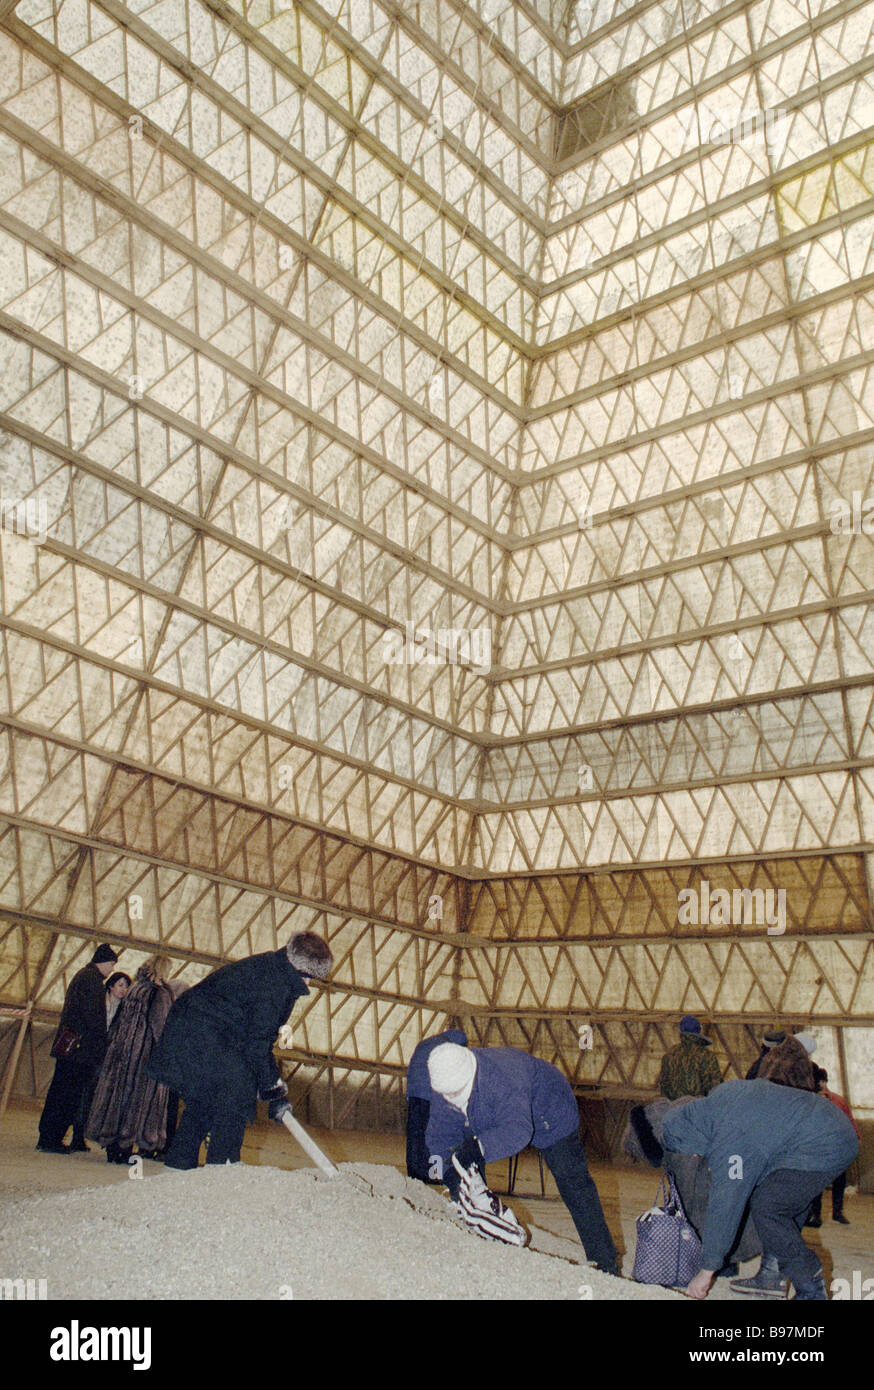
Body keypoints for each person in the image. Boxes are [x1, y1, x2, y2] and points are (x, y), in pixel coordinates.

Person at [425, 1042, 619, 1274]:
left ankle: (604, 1262)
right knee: (466, 1171)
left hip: (550, 1109)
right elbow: (437, 1136)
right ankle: (482, 1238)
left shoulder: (504, 1076)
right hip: (488, 1113)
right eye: (446, 1095)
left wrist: (477, 1148)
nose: (450, 1098)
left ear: (470, 1075)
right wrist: (446, 1173)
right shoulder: (445, 1082)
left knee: (573, 1183)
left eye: (455, 1093)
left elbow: (517, 1131)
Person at [663, 1072, 858, 1301]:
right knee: (779, 1196)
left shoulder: (731, 1136)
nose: (697, 1155)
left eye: (692, 1151)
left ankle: (811, 1290)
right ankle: (772, 1275)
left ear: (688, 1137)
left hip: (826, 1143)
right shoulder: (721, 1098)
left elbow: (726, 1204)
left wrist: (707, 1271)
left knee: (769, 1207)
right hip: (827, 1127)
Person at [148, 932, 333, 1169]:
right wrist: (274, 1092)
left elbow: (253, 1038)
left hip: (195, 1031)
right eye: (307, 977)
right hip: (202, 1035)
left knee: (204, 1100)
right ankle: (224, 1167)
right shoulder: (274, 986)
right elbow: (257, 1044)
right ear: (296, 966)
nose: (308, 984)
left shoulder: (273, 968)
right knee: (235, 1095)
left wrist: (270, 1088)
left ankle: (178, 1166)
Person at [86, 956, 175, 1164]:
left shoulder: (135, 989)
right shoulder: (158, 993)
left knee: (116, 1098)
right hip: (143, 1056)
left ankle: (111, 1145)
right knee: (137, 1102)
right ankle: (125, 1147)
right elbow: (159, 1027)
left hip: (121, 1052)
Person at [37, 943, 119, 1154]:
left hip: (70, 1048)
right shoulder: (91, 981)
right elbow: (93, 1018)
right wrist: (101, 1042)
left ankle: (48, 1137)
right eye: (111, 964)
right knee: (66, 1095)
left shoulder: (84, 976)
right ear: (103, 962)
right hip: (79, 1052)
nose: (111, 969)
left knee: (59, 1092)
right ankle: (51, 1139)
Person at [70, 970, 132, 1152]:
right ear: (111, 985)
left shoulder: (125, 1010)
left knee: (94, 1097)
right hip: (89, 1055)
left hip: (106, 1059)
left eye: (126, 987)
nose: (123, 990)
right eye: (120, 985)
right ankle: (77, 1135)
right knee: (83, 1095)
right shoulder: (98, 1003)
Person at [405, 1028, 467, 1182]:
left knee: (414, 1137)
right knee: (433, 1138)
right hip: (431, 1097)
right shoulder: (447, 1049)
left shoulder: (425, 1043)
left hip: (414, 1095)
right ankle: (434, 1174)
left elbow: (412, 1069)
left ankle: (414, 1174)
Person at [805, 1066, 859, 1227]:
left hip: (834, 1145)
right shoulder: (812, 1100)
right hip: (823, 1146)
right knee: (820, 1182)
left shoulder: (835, 1100)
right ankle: (819, 1214)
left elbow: (849, 1120)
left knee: (837, 1180)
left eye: (823, 1081)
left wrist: (856, 1137)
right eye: (819, 1081)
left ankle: (834, 1212)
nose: (822, 1085)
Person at [658, 1016, 721, 1099]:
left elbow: (663, 1085)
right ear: (699, 1031)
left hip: (675, 1108)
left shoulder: (669, 1055)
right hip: (698, 1108)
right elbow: (715, 1087)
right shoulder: (707, 1056)